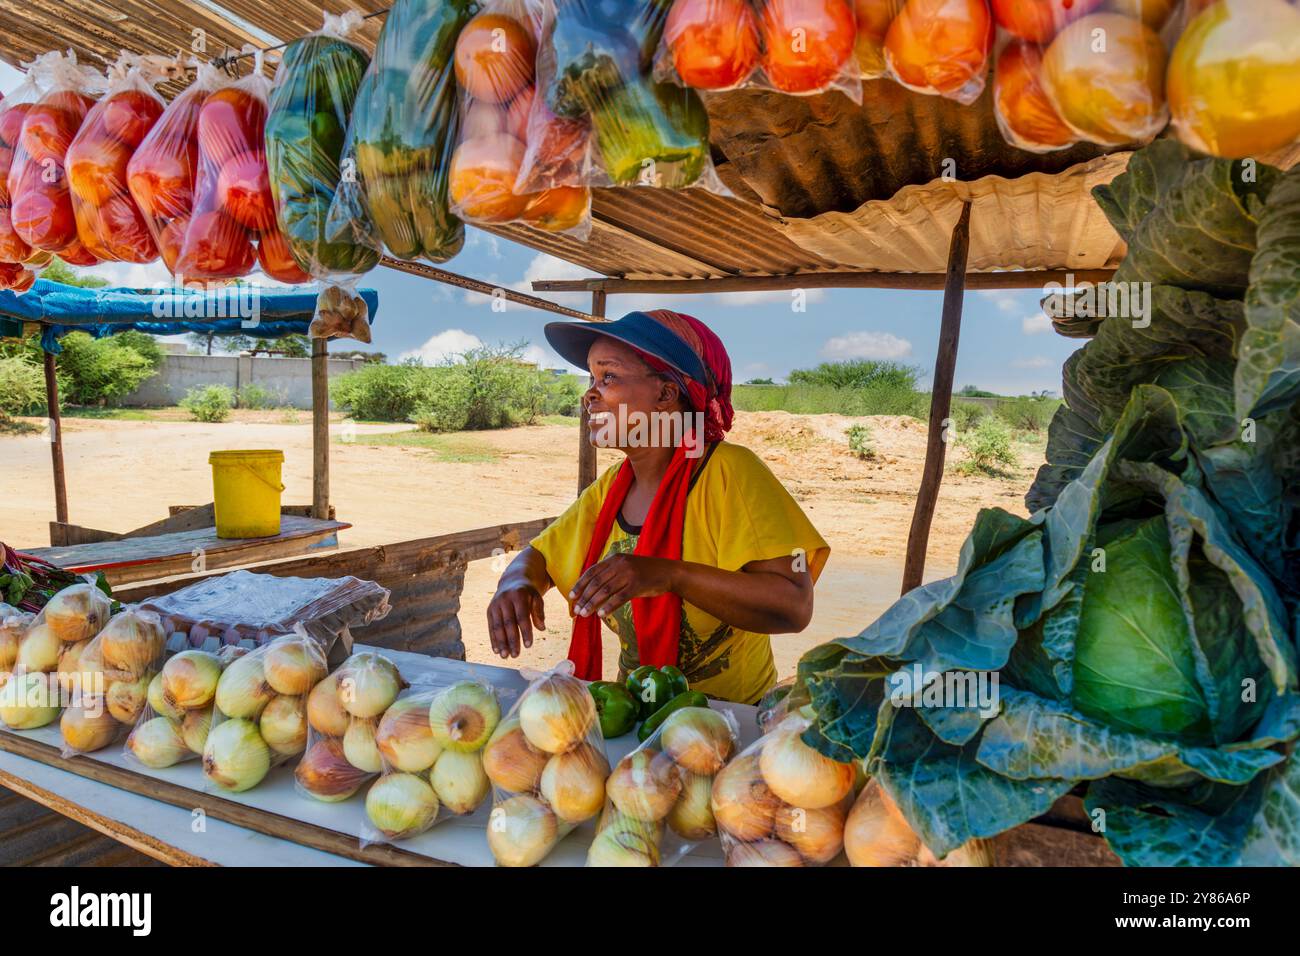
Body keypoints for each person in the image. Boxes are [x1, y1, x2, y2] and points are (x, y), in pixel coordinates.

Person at [487, 309, 829, 705]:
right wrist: (518, 582)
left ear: (666, 395)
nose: (590, 395)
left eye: (609, 377)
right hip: (636, 714)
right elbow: (540, 555)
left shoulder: (729, 472)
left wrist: (669, 575)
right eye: (592, 379)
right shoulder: (613, 487)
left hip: (733, 723)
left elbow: (794, 606)